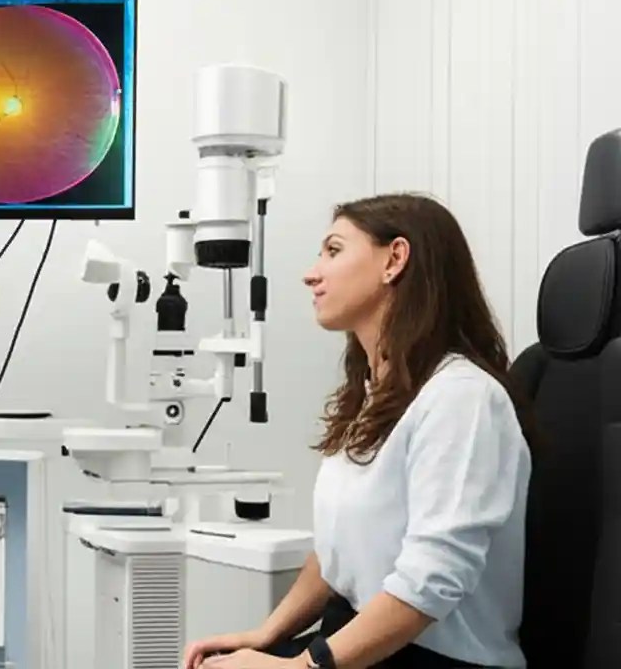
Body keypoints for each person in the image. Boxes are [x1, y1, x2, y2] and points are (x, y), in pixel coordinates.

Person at [183, 194, 532, 669]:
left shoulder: (463, 399)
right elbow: (335, 552)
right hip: (360, 641)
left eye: (333, 250)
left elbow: (431, 581)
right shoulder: (374, 398)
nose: (312, 273)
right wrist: (266, 634)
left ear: (395, 259)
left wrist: (301, 667)